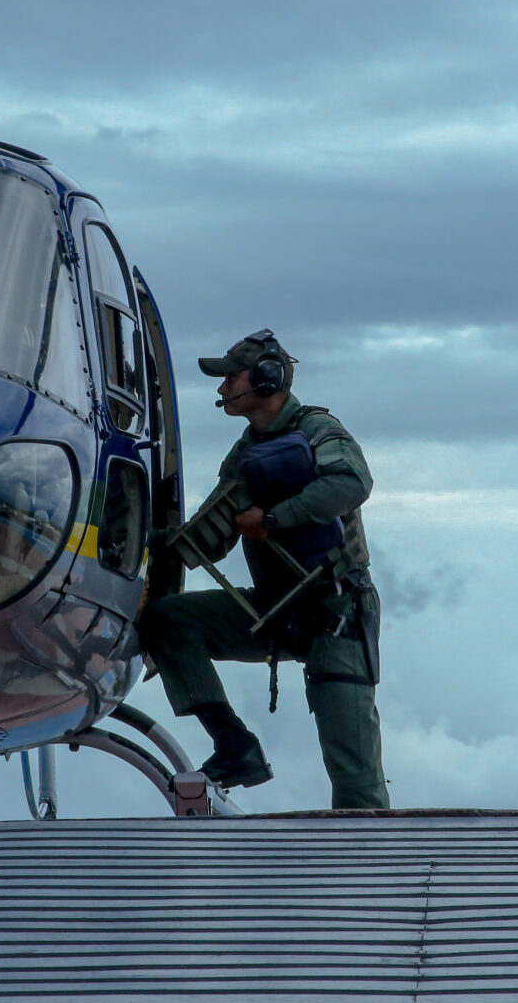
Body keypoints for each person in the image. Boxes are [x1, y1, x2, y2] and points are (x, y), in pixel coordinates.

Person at [138, 329, 389, 809]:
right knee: (167, 620)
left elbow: (353, 482)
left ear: (268, 378)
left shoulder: (318, 431)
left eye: (231, 377)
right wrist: (139, 544)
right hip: (276, 607)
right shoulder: (244, 453)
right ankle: (236, 747)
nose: (222, 388)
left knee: (354, 772)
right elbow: (210, 536)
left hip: (337, 611)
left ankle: (367, 870)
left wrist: (275, 519)